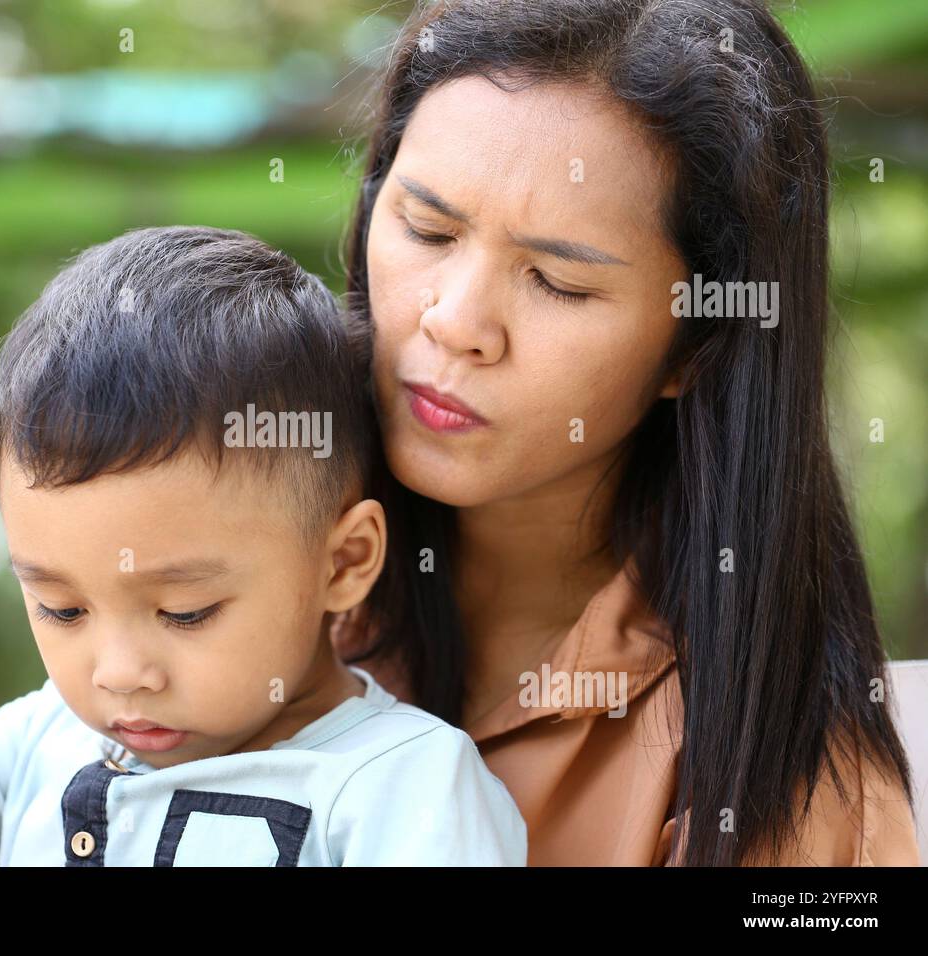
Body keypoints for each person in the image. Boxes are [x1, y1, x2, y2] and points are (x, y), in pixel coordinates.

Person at [0, 225, 527, 867]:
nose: (117, 673)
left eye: (184, 612)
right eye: (61, 607)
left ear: (344, 562)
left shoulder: (404, 788)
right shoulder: (39, 745)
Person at [331, 0, 920, 865]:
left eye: (559, 281)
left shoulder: (783, 777)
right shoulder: (260, 586)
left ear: (696, 343)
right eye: (427, 229)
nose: (455, 322)